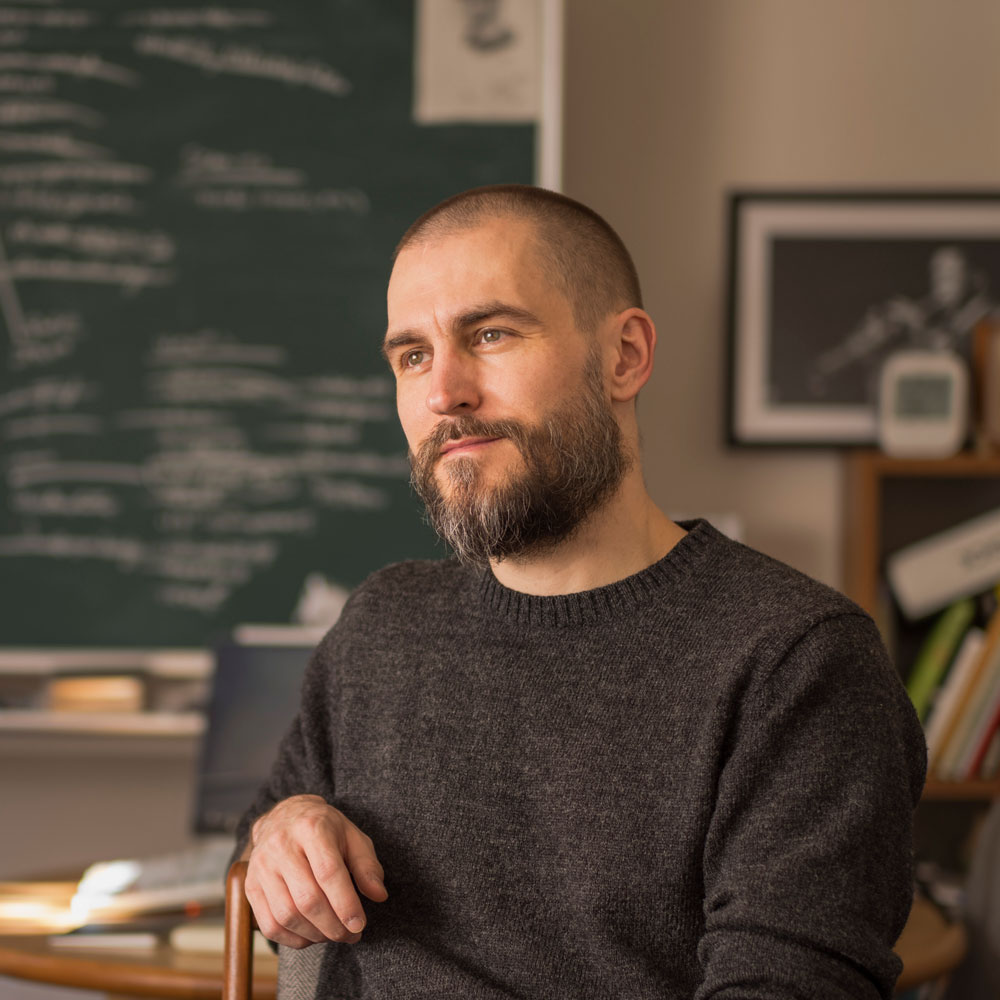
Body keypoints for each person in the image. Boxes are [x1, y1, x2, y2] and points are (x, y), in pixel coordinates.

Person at [234, 185, 927, 999]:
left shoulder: (796, 661)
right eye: (412, 355)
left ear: (625, 357)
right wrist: (282, 831)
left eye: (489, 334)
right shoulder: (383, 623)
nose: (442, 393)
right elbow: (253, 864)